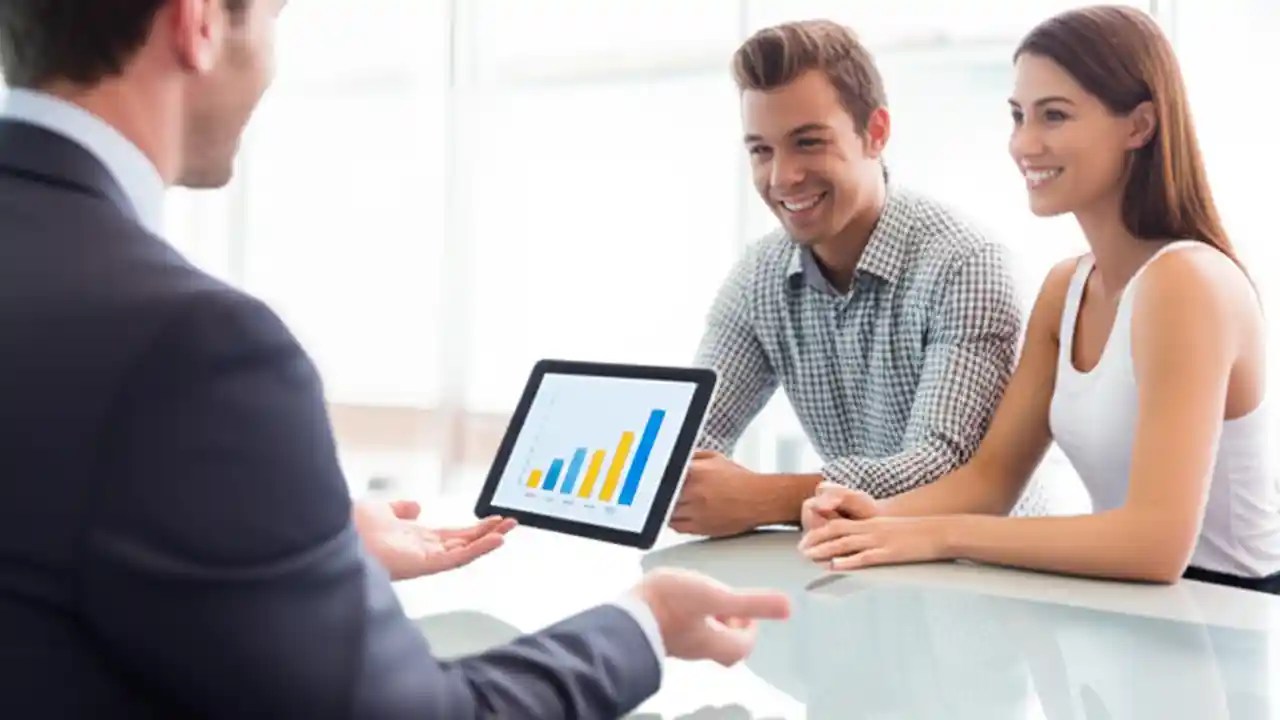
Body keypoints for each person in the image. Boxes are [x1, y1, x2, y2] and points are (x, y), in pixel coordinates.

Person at [0, 1, 791, 717]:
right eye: (276, 16)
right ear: (200, 23)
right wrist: (643, 625)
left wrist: (297, 555)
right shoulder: (198, 347)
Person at [798, 5, 1280, 594]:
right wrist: (875, 515)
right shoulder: (1066, 288)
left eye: (1054, 115)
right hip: (1143, 614)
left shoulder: (1188, 283)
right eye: (1018, 116)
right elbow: (992, 480)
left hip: (1236, 620)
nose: (1024, 143)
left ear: (1140, 126)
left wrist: (939, 534)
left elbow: (1155, 544)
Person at [672, 20, 1051, 539]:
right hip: (861, 571)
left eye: (808, 142)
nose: (782, 177)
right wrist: (679, 478)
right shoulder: (759, 277)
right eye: (761, 150)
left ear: (876, 132)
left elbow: (944, 469)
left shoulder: (965, 264)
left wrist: (767, 497)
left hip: (988, 580)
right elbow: (690, 438)